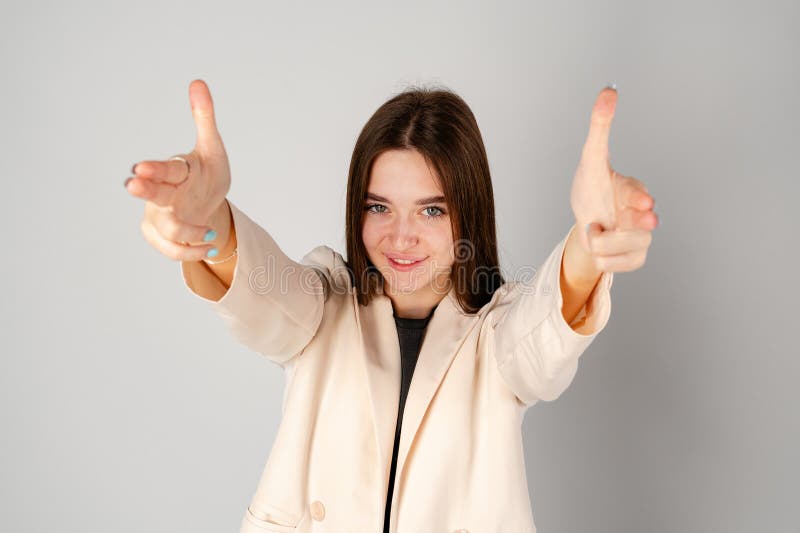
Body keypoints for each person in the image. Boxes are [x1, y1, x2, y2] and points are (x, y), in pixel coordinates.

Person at [124, 79, 657, 533]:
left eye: (431, 211)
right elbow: (263, 295)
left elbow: (542, 334)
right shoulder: (324, 303)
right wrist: (210, 224)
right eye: (379, 207)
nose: (401, 238)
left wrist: (589, 248)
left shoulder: (497, 335)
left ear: (469, 213)